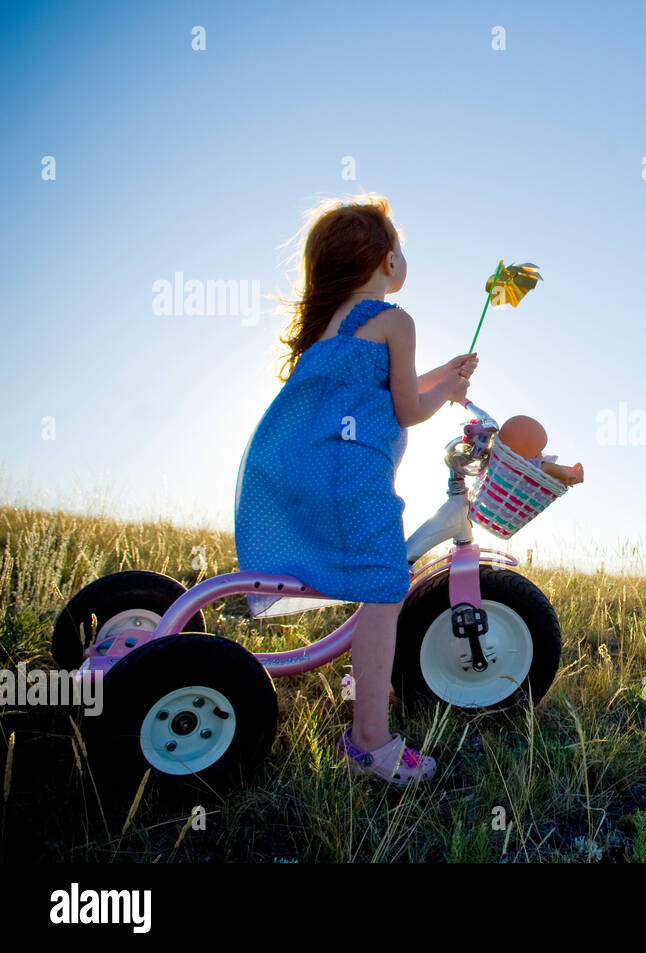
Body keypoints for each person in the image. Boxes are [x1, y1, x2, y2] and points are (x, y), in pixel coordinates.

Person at [234, 194, 476, 786]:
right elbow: (405, 407)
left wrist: (444, 373)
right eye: (400, 246)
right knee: (386, 584)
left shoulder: (328, 322)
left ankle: (367, 702)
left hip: (307, 465)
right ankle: (369, 741)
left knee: (374, 579)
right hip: (355, 476)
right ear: (386, 261)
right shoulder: (396, 320)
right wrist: (443, 393)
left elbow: (370, 387)